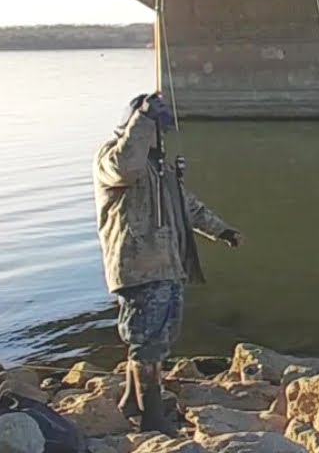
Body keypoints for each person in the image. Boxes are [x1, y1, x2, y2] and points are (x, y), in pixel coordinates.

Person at [92, 92, 244, 434]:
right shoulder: (111, 158)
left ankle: (133, 399)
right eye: (155, 129)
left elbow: (187, 205)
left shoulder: (158, 169)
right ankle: (152, 416)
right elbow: (124, 166)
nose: (160, 136)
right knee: (145, 340)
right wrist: (143, 120)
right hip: (138, 266)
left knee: (158, 338)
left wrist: (222, 231)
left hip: (167, 265)